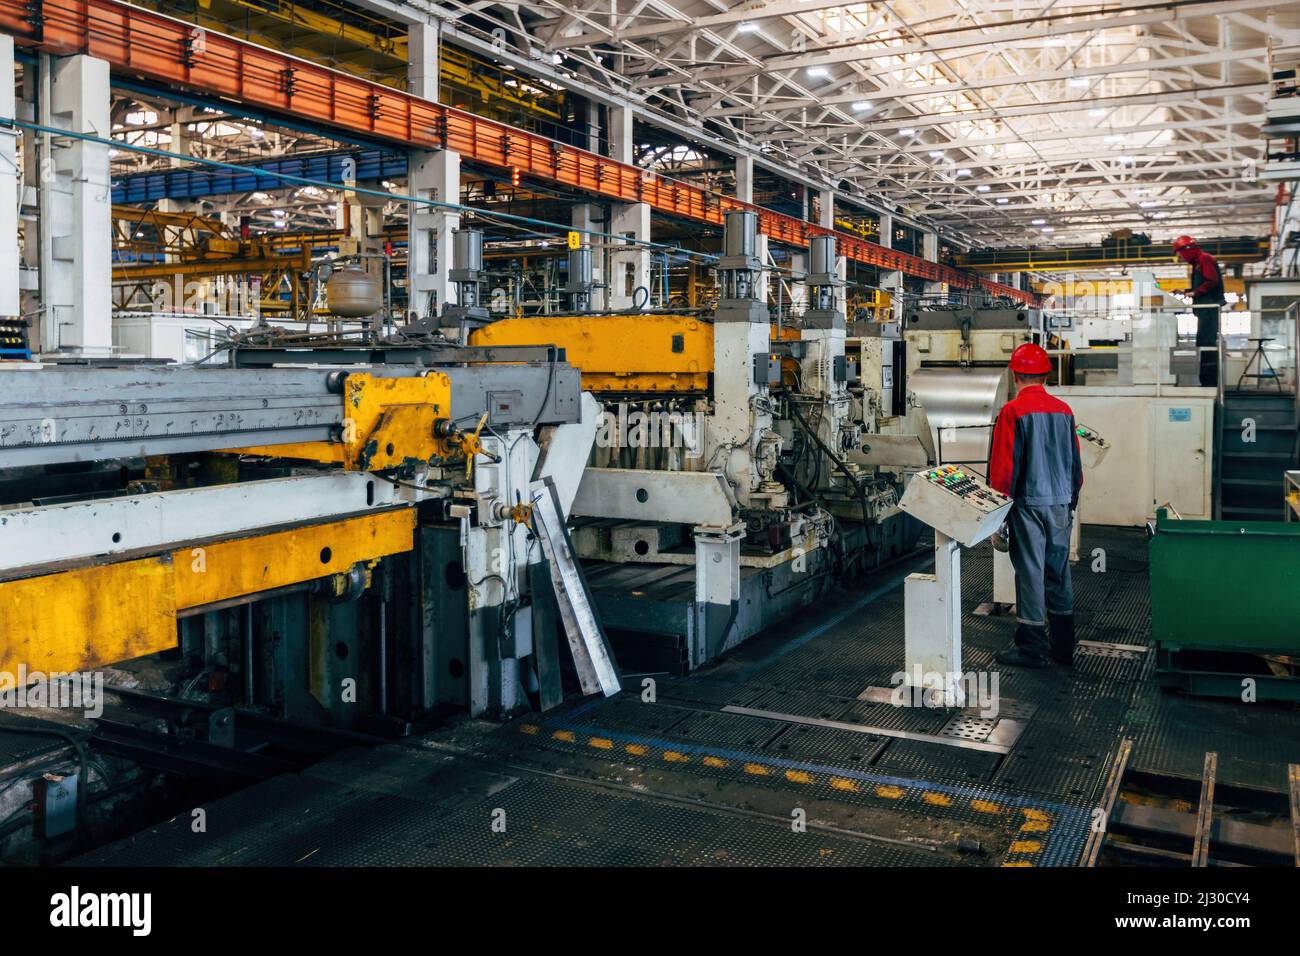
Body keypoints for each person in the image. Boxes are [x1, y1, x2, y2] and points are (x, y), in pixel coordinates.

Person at [988, 343, 1083, 668]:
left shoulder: (1012, 412)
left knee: (1030, 573)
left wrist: (996, 516)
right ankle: (1063, 646)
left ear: (1015, 375)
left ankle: (1031, 648)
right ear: (1046, 374)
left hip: (1028, 505)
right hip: (1059, 504)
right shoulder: (1064, 411)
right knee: (1058, 572)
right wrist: (1069, 503)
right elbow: (1075, 467)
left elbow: (1004, 469)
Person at [1172, 235, 1225, 388]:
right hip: (1204, 309)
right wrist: (1186, 292)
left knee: (1206, 345)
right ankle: (1207, 382)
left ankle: (1209, 384)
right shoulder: (1198, 263)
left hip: (1209, 309)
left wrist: (1194, 293)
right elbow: (1203, 284)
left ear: (1187, 250)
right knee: (1203, 345)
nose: (1180, 257)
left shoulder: (1204, 259)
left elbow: (1211, 281)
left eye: (1180, 253)